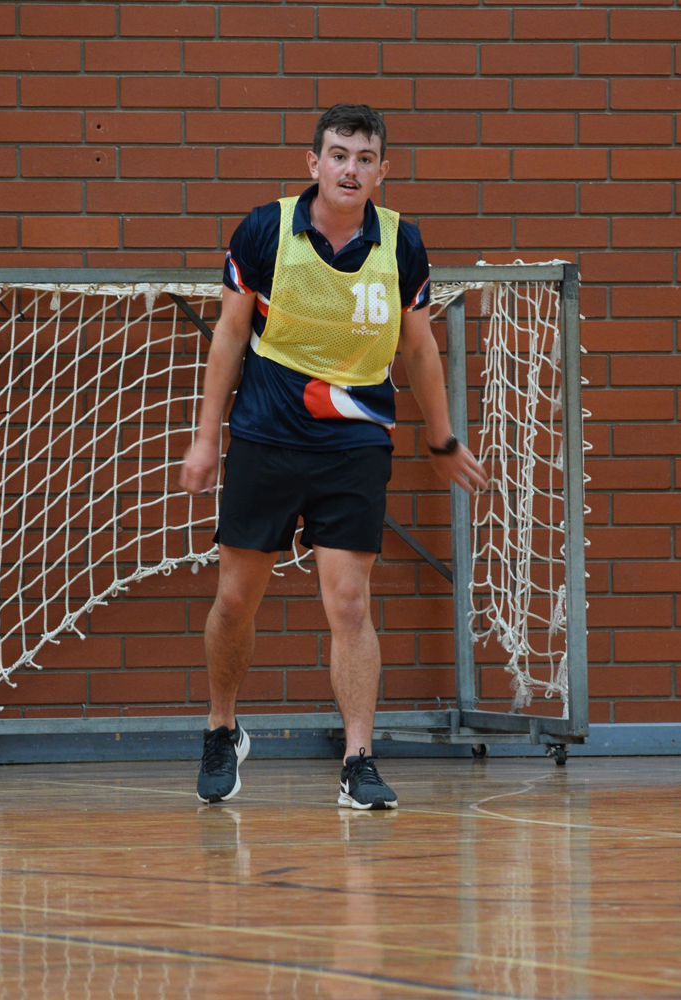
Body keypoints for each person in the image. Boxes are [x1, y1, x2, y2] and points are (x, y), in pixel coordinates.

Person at [181, 103, 488, 810]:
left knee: (350, 602)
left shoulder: (401, 244)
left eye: (365, 157)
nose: (351, 168)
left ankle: (358, 760)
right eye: (339, 154)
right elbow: (229, 337)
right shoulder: (265, 229)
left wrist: (441, 437)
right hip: (265, 432)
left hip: (354, 439)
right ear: (313, 163)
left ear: (384, 169)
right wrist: (205, 436)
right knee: (235, 598)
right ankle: (221, 726)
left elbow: (417, 347)